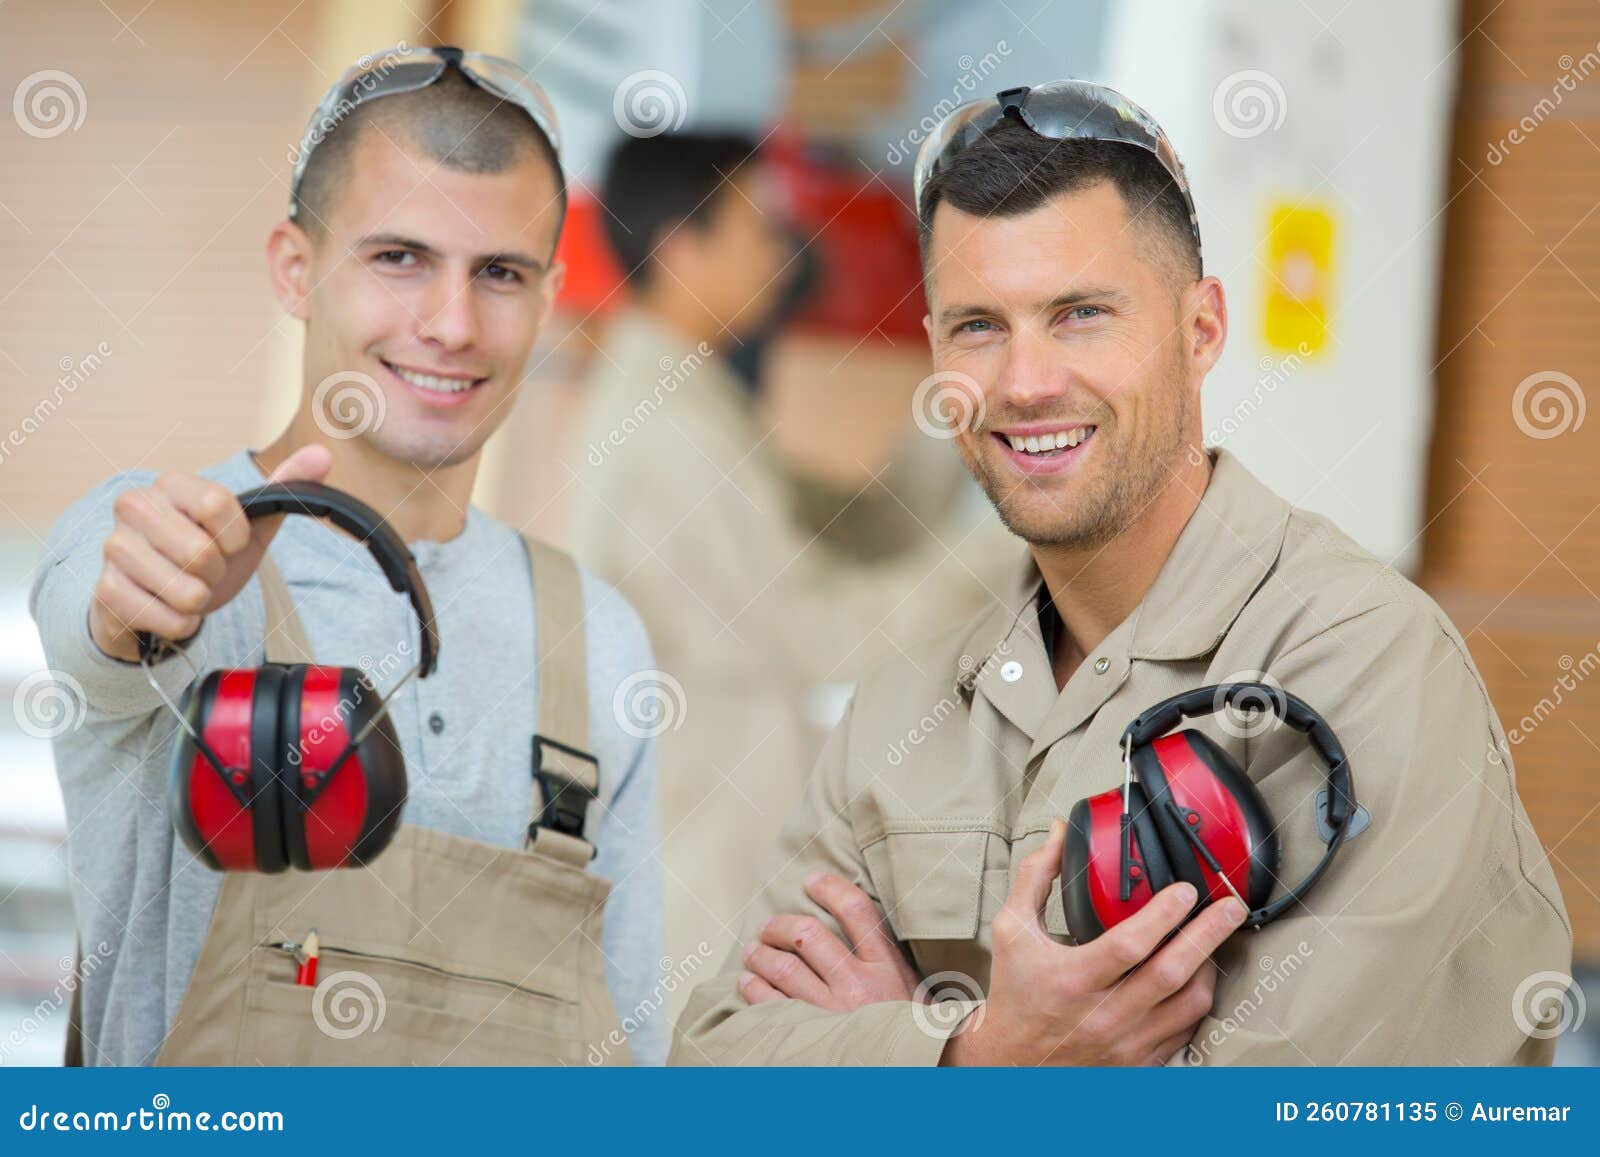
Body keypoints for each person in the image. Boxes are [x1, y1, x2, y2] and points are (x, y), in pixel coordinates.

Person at [671, 81, 1573, 1066]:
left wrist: (899, 1056)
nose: (1025, 381)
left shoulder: (1363, 662)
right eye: (978, 325)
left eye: (1080, 313)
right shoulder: (904, 703)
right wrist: (974, 1052)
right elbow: (716, 1066)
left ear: (1200, 331)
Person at [29, 45, 664, 1066]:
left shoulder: (598, 636)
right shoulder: (169, 545)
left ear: (547, 298)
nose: (450, 324)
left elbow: (630, 1043)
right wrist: (136, 614)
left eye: (497, 272)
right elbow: (98, 616)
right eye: (398, 257)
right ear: (295, 267)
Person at [566, 132, 1013, 1013]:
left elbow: (838, 529)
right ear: (680, 248)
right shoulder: (672, 437)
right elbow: (822, 629)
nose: (781, 250)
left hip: (719, 842)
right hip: (704, 858)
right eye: (756, 226)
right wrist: (1030, 533)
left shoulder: (686, 398)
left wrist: (957, 405)